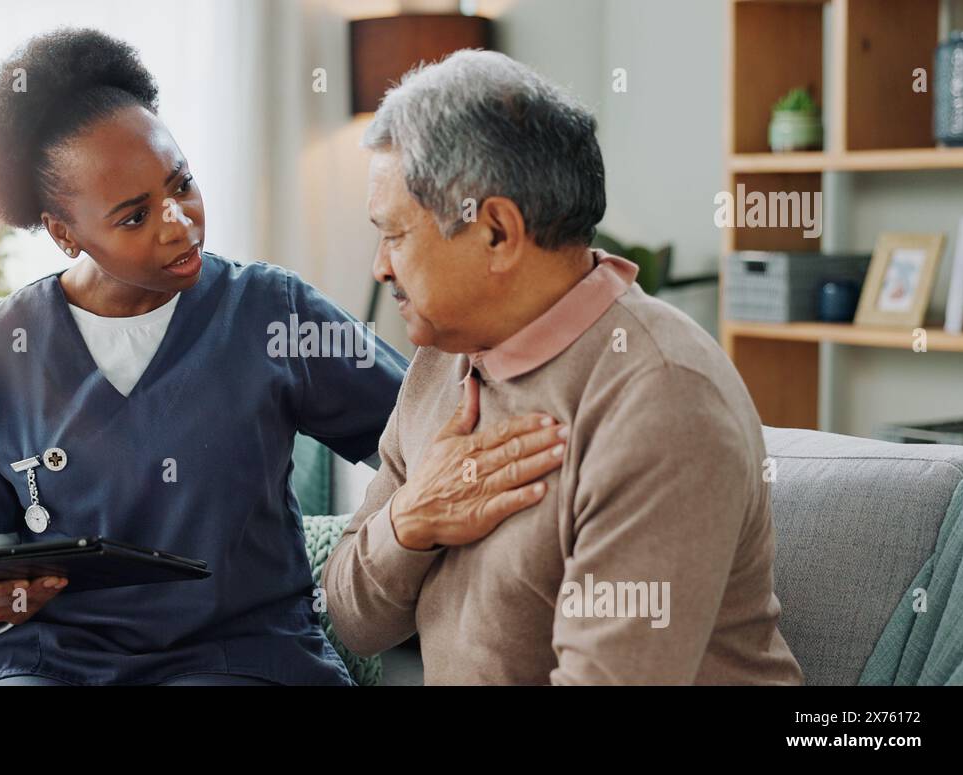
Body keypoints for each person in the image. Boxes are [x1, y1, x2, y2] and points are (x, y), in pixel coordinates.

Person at [0, 28, 413, 686]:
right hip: (48, 660)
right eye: (135, 215)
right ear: (64, 233)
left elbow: (419, 435)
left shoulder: (272, 312)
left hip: (237, 655)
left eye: (183, 185)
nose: (178, 222)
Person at [322, 50, 804, 685]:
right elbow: (352, 622)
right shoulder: (442, 357)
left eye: (396, 235)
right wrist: (411, 520)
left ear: (496, 231)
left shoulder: (662, 397)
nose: (381, 267)